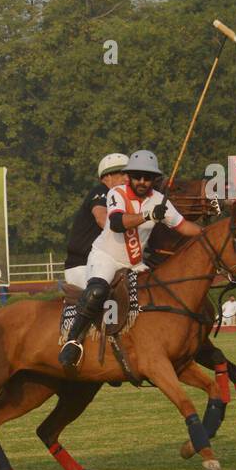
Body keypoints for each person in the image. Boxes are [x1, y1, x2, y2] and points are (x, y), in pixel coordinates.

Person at [59, 151, 202, 368]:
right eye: (137, 176)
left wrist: (209, 235)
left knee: (158, 293)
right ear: (130, 177)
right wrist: (148, 215)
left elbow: (183, 227)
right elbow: (116, 222)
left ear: (154, 179)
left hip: (134, 263)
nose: (142, 181)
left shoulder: (159, 201)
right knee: (97, 291)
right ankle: (73, 340)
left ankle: (149, 345)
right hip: (106, 257)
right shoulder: (117, 192)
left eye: (147, 177)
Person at [62, 153, 129, 289]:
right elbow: (101, 218)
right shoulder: (102, 191)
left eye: (129, 174)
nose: (127, 178)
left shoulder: (124, 200)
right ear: (107, 177)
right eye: (121, 174)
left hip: (106, 263)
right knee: (103, 297)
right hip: (83, 265)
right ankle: (82, 311)